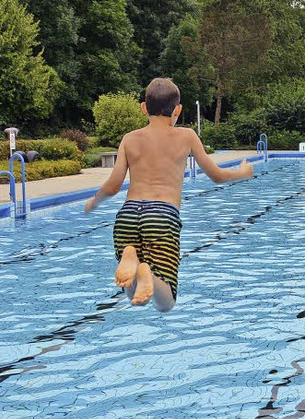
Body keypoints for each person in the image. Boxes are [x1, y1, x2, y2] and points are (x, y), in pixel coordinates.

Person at [84, 78, 254, 312]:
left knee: (131, 291)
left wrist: (95, 201)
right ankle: (149, 274)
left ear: (144, 107)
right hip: (162, 216)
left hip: (128, 216)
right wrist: (242, 173)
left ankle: (131, 254)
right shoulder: (186, 136)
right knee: (166, 302)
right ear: (178, 110)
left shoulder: (130, 138)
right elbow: (216, 176)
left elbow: (113, 186)